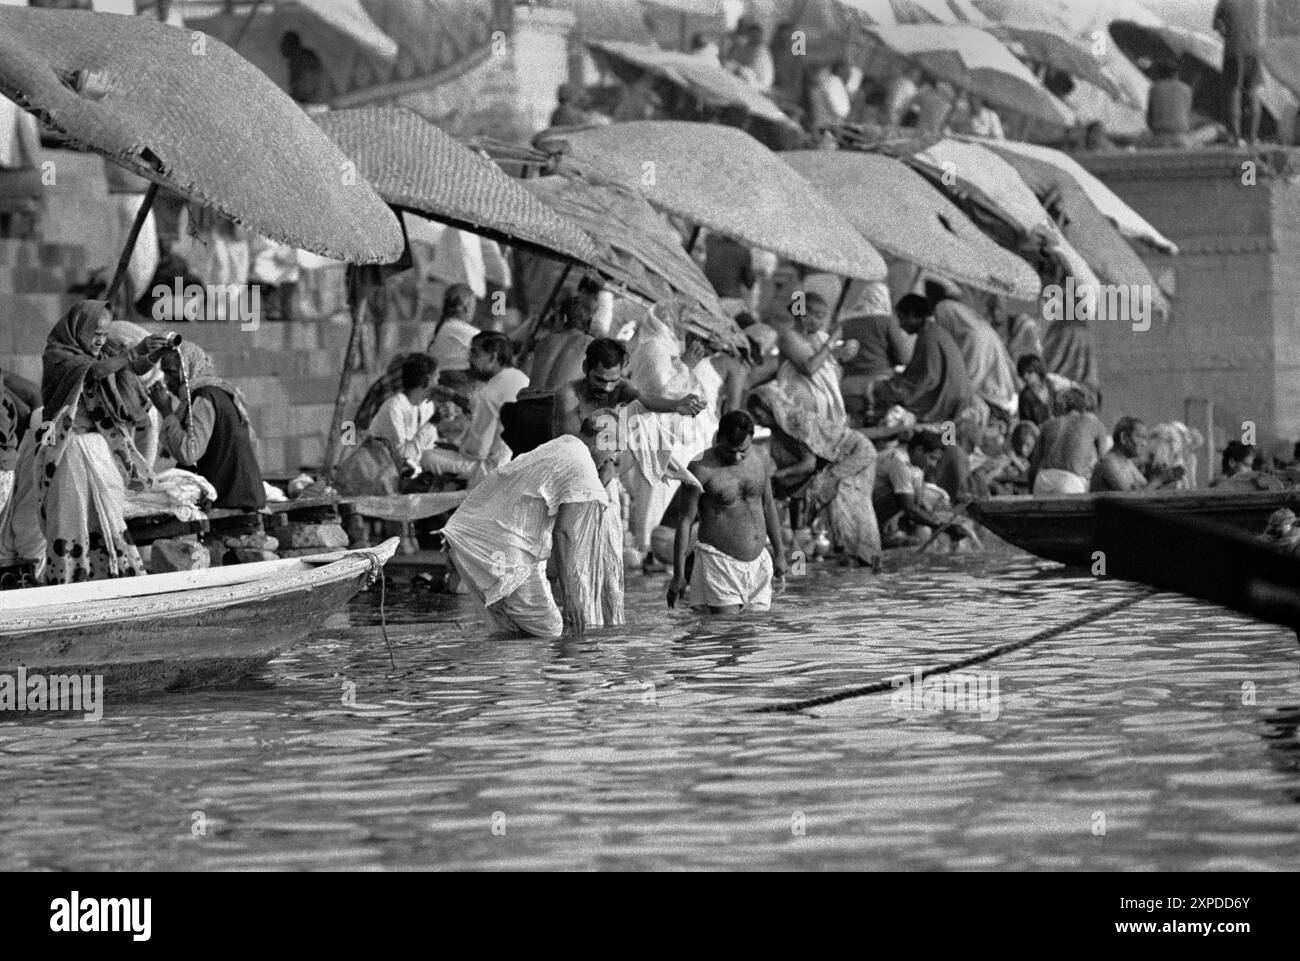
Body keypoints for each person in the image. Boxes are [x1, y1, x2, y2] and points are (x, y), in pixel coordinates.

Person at [441, 414, 623, 638]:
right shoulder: (582, 464)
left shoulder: (565, 444)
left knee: (510, 632)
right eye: (615, 447)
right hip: (501, 549)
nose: (614, 457)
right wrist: (571, 596)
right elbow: (564, 533)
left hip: (473, 537)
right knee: (549, 629)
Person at [37, 301, 171, 583]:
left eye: (104, 334)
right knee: (71, 519)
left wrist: (152, 351)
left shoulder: (102, 353)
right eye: (95, 334)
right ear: (79, 330)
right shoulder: (60, 356)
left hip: (98, 450)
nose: (100, 341)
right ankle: (69, 578)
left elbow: (128, 370)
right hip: (68, 450)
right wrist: (135, 351)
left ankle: (110, 574)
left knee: (108, 516)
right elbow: (94, 372)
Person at [749, 383, 882, 567]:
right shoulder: (779, 433)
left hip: (854, 454)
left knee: (845, 509)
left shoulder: (795, 423)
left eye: (758, 414)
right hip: (827, 467)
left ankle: (864, 563)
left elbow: (808, 464)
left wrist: (779, 474)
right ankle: (802, 569)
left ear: (770, 408)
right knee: (799, 530)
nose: (757, 420)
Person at [668, 410, 786, 613]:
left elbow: (768, 504)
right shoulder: (700, 468)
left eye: (743, 450)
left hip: (758, 562)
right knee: (725, 631)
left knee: (755, 633)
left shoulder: (761, 457)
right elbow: (685, 521)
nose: (738, 457)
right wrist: (678, 576)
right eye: (731, 451)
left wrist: (781, 554)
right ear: (719, 437)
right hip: (719, 562)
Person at [152, 341, 266, 511]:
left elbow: (189, 453)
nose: (167, 381)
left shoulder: (204, 398)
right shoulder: (221, 392)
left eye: (171, 373)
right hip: (245, 495)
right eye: (164, 374)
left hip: (230, 499)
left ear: (188, 369)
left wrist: (166, 412)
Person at [422, 332, 528, 486]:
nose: (469, 359)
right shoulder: (521, 379)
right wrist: (454, 397)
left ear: (492, 357)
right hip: (520, 465)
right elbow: (480, 410)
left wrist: (456, 447)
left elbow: (478, 451)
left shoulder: (491, 391)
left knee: (426, 457)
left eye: (474, 353)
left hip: (493, 470)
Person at [553, 337, 706, 439]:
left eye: (613, 380)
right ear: (586, 368)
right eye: (600, 380)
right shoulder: (569, 396)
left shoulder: (621, 387)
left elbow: (644, 400)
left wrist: (675, 405)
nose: (607, 388)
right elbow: (570, 446)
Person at [875, 294, 972, 425]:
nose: (900, 324)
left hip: (944, 408)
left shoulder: (929, 336)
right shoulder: (935, 332)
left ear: (912, 315)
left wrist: (894, 389)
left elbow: (928, 378)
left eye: (901, 318)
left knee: (886, 399)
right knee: (947, 442)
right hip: (952, 404)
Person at [931, 287, 1019, 425]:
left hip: (994, 399)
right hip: (997, 394)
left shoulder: (975, 337)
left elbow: (967, 380)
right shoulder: (976, 329)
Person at [774, 273, 848, 426]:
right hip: (797, 412)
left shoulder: (819, 337)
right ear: (804, 316)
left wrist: (845, 350)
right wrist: (831, 341)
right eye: (819, 316)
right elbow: (810, 367)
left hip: (820, 416)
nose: (822, 323)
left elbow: (831, 367)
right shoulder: (789, 337)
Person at [363, 354, 439, 478]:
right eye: (437, 376)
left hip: (415, 467)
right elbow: (402, 456)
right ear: (428, 380)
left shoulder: (427, 405)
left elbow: (428, 447)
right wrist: (430, 427)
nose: (438, 381)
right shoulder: (395, 407)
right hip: (384, 471)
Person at [1027, 388, 1109, 494]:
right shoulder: (1095, 425)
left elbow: (1033, 466)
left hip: (1043, 481)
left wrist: (1030, 494)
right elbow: (1104, 466)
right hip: (1070, 482)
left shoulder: (1048, 424)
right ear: (1084, 407)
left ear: (1064, 406)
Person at [1214, 0, 1266, 144]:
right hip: (1255, 51)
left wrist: (1227, 30)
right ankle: (1252, 137)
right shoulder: (1256, 2)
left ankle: (1235, 137)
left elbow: (1218, 26)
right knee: (1253, 93)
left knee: (1233, 91)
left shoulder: (1224, 2)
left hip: (1234, 50)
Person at [1090, 416, 1183, 492]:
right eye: (1139, 437)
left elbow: (1144, 489)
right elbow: (1133, 499)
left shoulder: (1127, 462)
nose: (1144, 444)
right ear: (1124, 438)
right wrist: (1159, 480)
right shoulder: (1108, 462)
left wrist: (1167, 481)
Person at [527, 293, 595, 392]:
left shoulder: (545, 340)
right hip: (556, 405)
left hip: (528, 403)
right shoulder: (591, 344)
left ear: (562, 318)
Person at [427, 283, 479, 382]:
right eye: (474, 305)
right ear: (467, 307)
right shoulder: (462, 330)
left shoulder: (444, 327)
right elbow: (499, 348)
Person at [1146, 62, 1194, 147]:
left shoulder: (1155, 88)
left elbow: (1150, 117)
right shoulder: (1187, 89)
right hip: (1181, 137)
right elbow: (1187, 115)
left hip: (1160, 136)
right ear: (1176, 74)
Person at [1211, 440, 1284, 489]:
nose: (1250, 470)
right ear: (1232, 463)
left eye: (1251, 467)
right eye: (1246, 466)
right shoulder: (1221, 484)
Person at [703, 233, 756, 302]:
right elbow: (749, 283)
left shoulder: (711, 241)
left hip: (707, 293)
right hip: (730, 298)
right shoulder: (743, 252)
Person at [280, 31, 324, 107]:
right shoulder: (298, 59)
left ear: (290, 45)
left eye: (283, 44)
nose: (280, 47)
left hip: (313, 104)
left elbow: (305, 89)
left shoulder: (302, 60)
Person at [1017, 354, 1056, 426]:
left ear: (1037, 371)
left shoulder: (1049, 384)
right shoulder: (1025, 396)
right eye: (1022, 373)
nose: (1025, 376)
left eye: (1029, 372)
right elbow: (1027, 424)